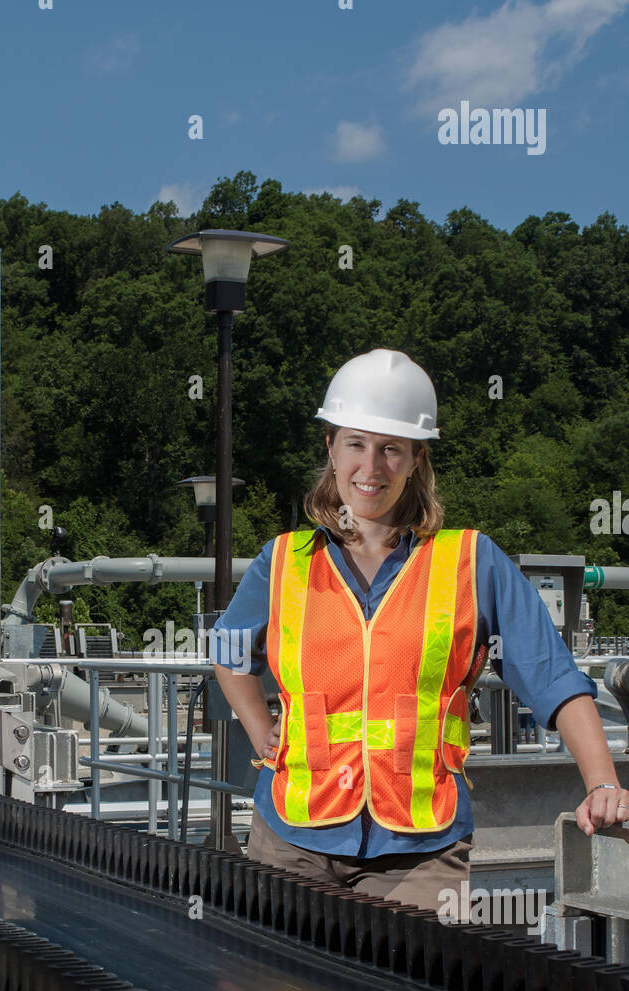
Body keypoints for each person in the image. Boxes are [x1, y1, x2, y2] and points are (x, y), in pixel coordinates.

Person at [211, 348, 628, 919]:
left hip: (420, 848)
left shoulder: (470, 562)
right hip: (291, 834)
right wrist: (263, 736)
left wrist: (602, 783)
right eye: (355, 443)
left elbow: (553, 677)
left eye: (391, 449)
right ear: (331, 448)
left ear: (415, 460)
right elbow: (231, 652)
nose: (371, 466)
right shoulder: (284, 561)